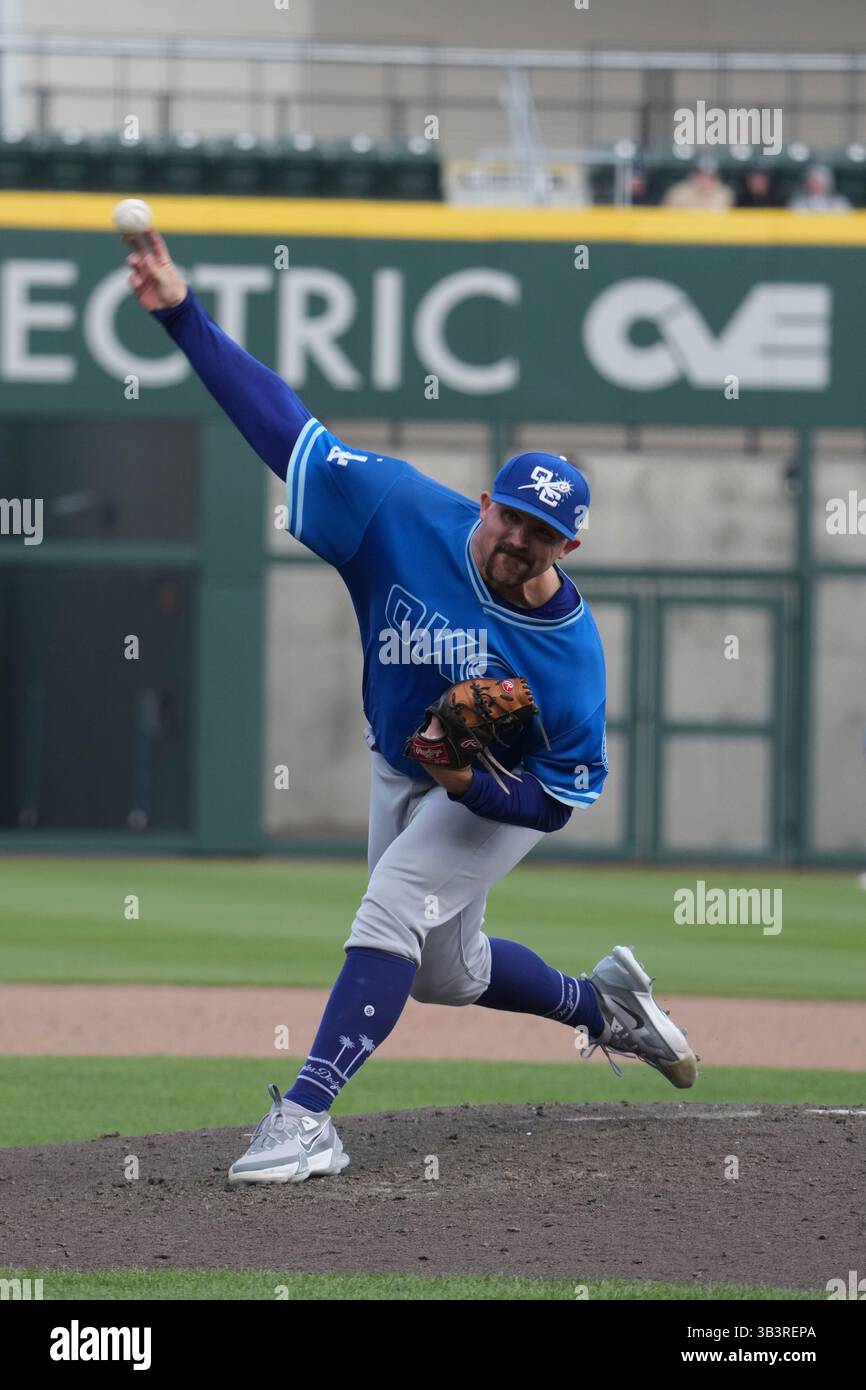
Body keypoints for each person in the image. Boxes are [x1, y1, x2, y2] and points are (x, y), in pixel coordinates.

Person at [124, 228, 697, 1185]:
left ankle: (305, 1117)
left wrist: (471, 783)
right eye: (512, 517)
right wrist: (182, 313)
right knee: (446, 975)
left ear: (570, 550)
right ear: (483, 501)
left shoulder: (569, 662)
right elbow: (282, 426)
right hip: (403, 759)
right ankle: (608, 1011)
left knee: (389, 907)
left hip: (498, 787)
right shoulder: (395, 508)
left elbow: (559, 798)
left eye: (544, 535)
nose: (519, 541)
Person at [662, 156, 734, 211]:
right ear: (693, 175)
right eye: (701, 175)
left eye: (710, 177)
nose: (705, 180)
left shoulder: (724, 194)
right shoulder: (678, 193)